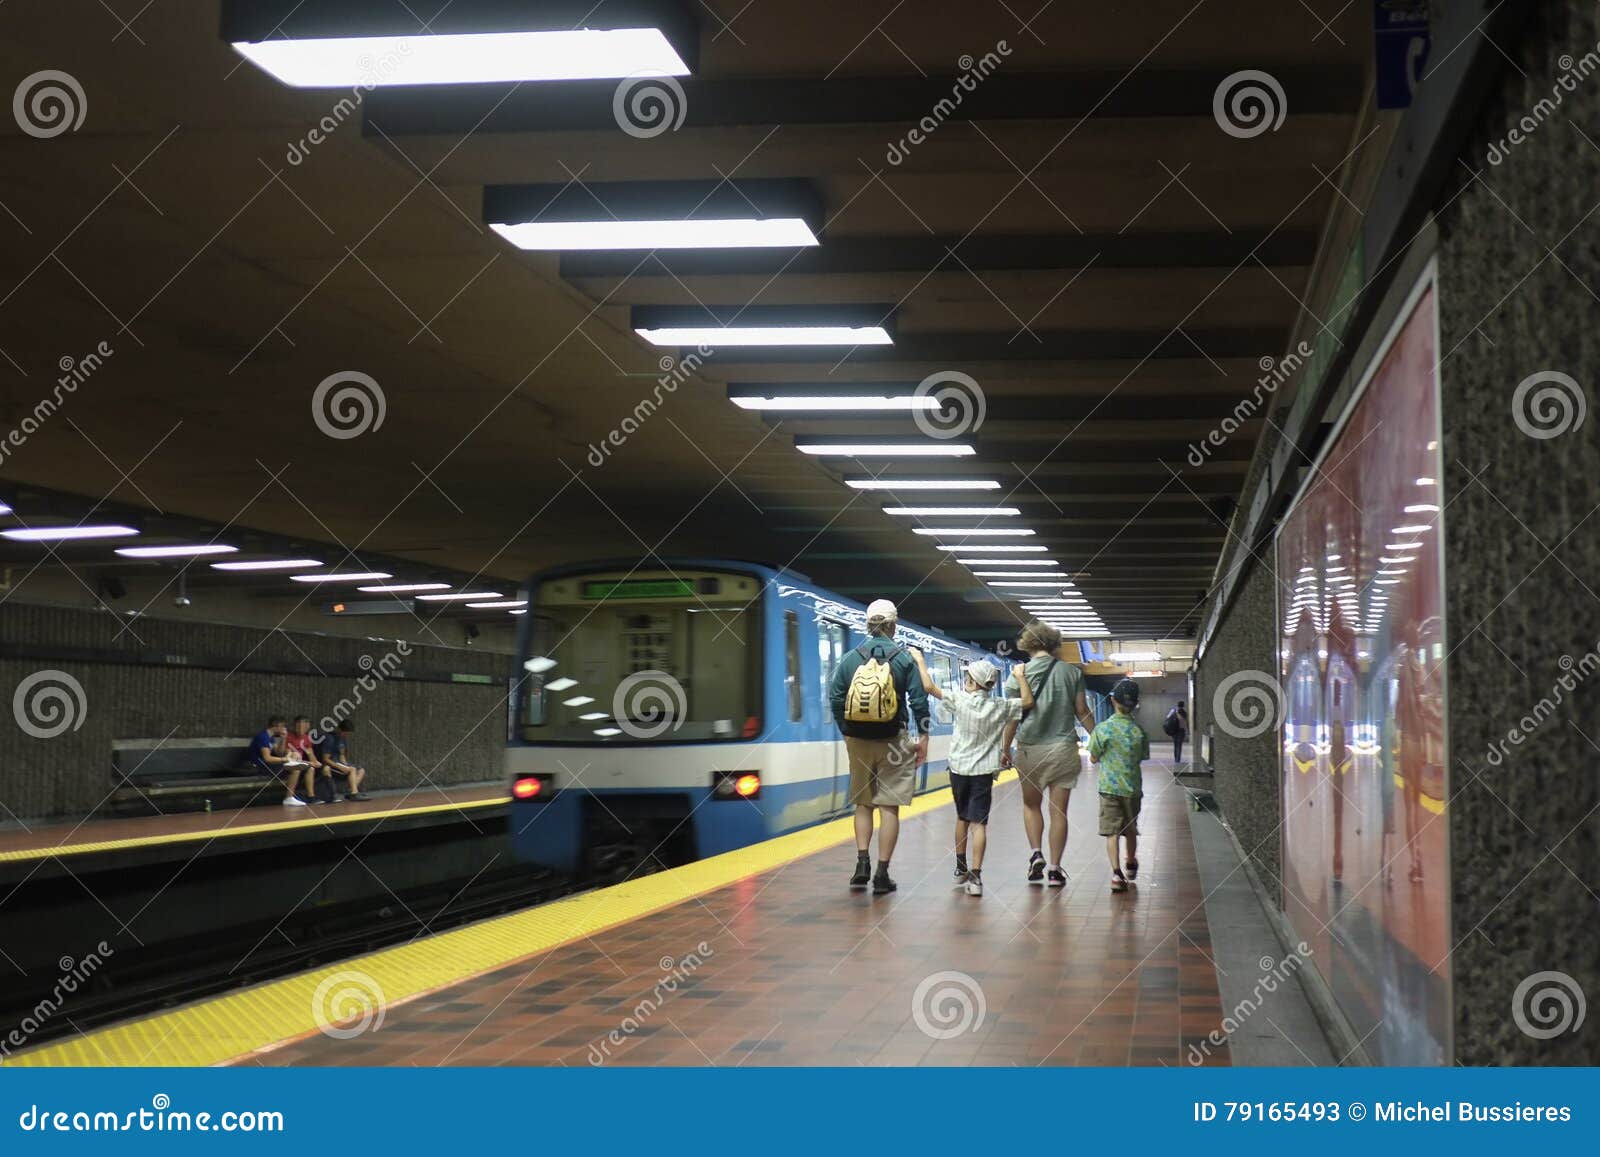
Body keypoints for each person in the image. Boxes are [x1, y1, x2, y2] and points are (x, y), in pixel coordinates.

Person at [909, 652, 1033, 897]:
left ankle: (960, 867)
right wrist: (1019, 676)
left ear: (972, 682)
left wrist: (920, 661)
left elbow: (928, 686)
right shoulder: (999, 706)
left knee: (961, 818)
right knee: (979, 823)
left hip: (958, 769)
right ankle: (976, 877)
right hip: (983, 772)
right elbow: (1028, 701)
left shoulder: (959, 700)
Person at [828, 598, 930, 895]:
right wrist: (922, 736)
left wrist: (846, 731)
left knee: (863, 803)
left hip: (858, 739)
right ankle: (882, 875)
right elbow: (919, 700)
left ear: (868, 625)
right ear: (893, 625)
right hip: (893, 739)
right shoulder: (904, 658)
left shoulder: (850, 658)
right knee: (888, 807)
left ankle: (862, 864)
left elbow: (836, 699)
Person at [1006, 621, 1096, 886]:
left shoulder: (1018, 674)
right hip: (1063, 750)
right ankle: (1055, 870)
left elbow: (1012, 717)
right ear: (1053, 643)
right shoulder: (1071, 672)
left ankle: (1036, 854)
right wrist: (1099, 740)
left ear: (1027, 643)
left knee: (1031, 805)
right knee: (1059, 812)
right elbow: (1082, 712)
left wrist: (1004, 749)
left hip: (1029, 750)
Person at [1090, 678, 1151, 894]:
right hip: (1133, 788)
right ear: (1135, 704)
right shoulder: (1139, 731)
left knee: (1111, 832)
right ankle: (1131, 861)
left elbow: (1094, 758)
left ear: (1113, 700)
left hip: (1108, 789)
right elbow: (1143, 756)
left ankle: (1116, 874)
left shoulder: (1103, 729)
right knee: (1131, 829)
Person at [250, 715, 311, 806]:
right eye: (283, 726)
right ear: (276, 726)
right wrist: (285, 759)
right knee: (296, 768)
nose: (284, 729)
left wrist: (284, 739)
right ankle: (289, 798)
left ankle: (291, 797)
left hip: (268, 766)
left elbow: (279, 753)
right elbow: (267, 759)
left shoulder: (271, 737)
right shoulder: (263, 737)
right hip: (260, 767)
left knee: (295, 758)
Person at [317, 718, 371, 801]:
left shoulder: (343, 739)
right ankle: (354, 793)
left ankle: (350, 791)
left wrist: (346, 765)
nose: (346, 735)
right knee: (352, 770)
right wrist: (342, 768)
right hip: (331, 764)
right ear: (339, 730)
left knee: (361, 770)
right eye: (345, 733)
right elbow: (325, 759)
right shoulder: (330, 739)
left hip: (339, 763)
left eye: (348, 734)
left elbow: (342, 755)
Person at [284, 716, 326, 803]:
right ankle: (289, 797)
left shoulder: (306, 738)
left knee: (312, 769)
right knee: (299, 767)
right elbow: (289, 758)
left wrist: (315, 762)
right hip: (287, 764)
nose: (301, 728)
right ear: (295, 726)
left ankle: (311, 796)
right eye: (299, 726)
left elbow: (311, 755)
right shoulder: (288, 736)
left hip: (300, 763)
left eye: (305, 726)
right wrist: (309, 763)